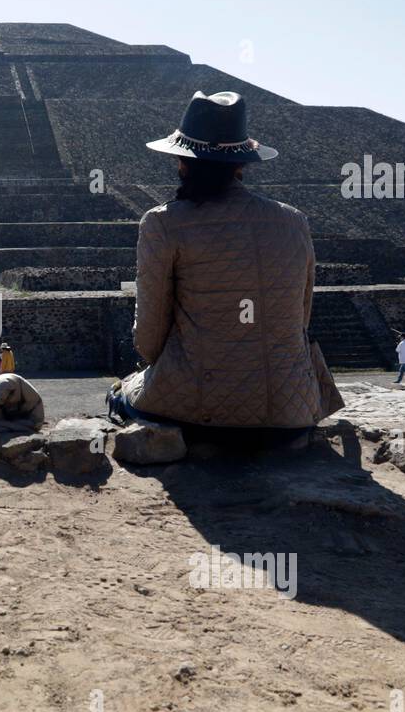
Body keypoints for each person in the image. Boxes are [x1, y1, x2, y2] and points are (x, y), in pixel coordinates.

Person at [107, 91, 340, 446]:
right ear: (241, 165)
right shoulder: (294, 221)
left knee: (118, 395)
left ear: (182, 163)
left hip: (201, 415)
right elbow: (300, 318)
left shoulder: (163, 223)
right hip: (292, 414)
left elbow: (149, 340)